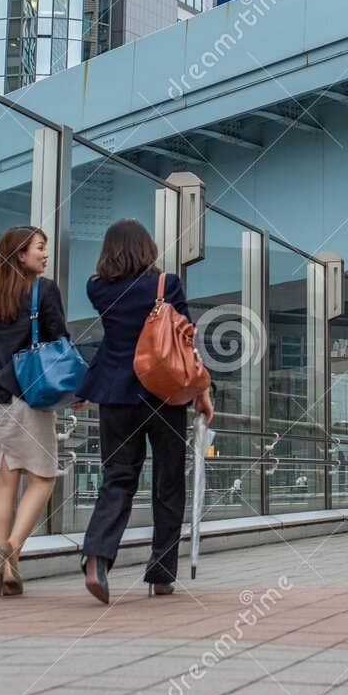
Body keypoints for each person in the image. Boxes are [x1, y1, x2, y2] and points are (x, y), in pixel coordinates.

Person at [76, 218, 213, 603]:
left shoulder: (96, 288)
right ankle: (161, 574)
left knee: (117, 478)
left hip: (115, 395)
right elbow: (186, 341)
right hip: (163, 393)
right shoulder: (165, 284)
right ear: (147, 248)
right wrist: (202, 391)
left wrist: (87, 386)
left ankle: (97, 555)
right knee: (169, 481)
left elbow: (114, 339)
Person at [0, 225, 67, 597]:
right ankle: (13, 548)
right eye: (40, 248)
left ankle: (1, 556)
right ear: (20, 254)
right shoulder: (44, 290)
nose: (45, 254)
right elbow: (59, 339)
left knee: (4, 482)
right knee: (43, 478)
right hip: (27, 393)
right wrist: (76, 387)